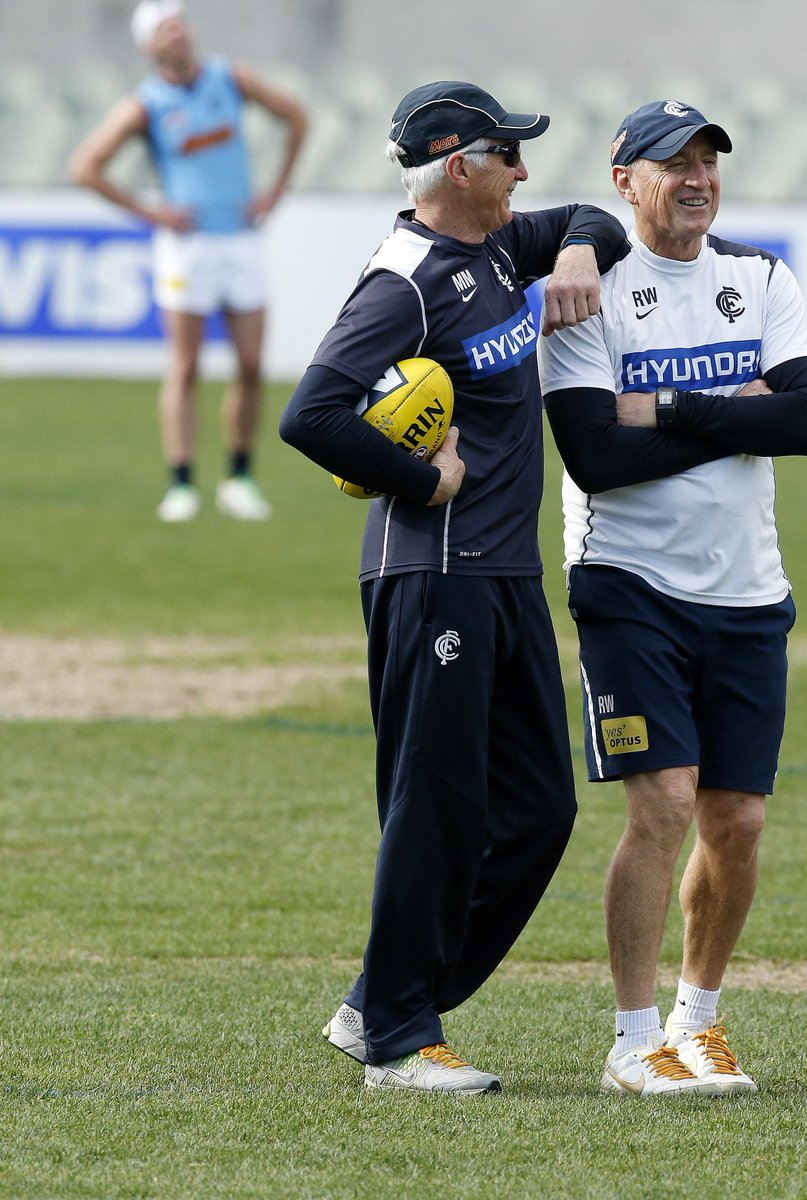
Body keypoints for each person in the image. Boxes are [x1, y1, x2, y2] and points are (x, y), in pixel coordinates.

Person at [279, 80, 628, 1094]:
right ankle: (397, 1032)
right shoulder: (404, 281)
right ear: (460, 166)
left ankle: (382, 998)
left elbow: (592, 218)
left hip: (503, 573)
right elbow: (312, 414)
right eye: (506, 154)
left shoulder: (501, 244)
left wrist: (573, 254)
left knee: (539, 811)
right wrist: (420, 477)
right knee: (435, 807)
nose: (524, 170)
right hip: (431, 574)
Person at [538, 99, 807, 1097]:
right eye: (674, 163)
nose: (697, 178)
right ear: (626, 182)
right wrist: (736, 414)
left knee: (735, 820)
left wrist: (662, 405)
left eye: (707, 160)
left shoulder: (760, 277)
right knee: (662, 803)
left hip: (748, 589)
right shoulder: (589, 294)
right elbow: (595, 457)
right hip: (628, 584)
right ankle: (630, 1043)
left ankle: (696, 1023)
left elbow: (804, 422)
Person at [68, 0, 308, 522]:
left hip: (241, 240)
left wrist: (275, 192)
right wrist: (150, 212)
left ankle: (239, 476)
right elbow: (85, 167)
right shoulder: (147, 104)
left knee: (251, 364)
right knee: (185, 365)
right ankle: (181, 482)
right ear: (149, 45)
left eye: (179, 24)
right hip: (187, 248)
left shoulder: (231, 78)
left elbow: (297, 117)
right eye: (164, 29)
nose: (176, 34)